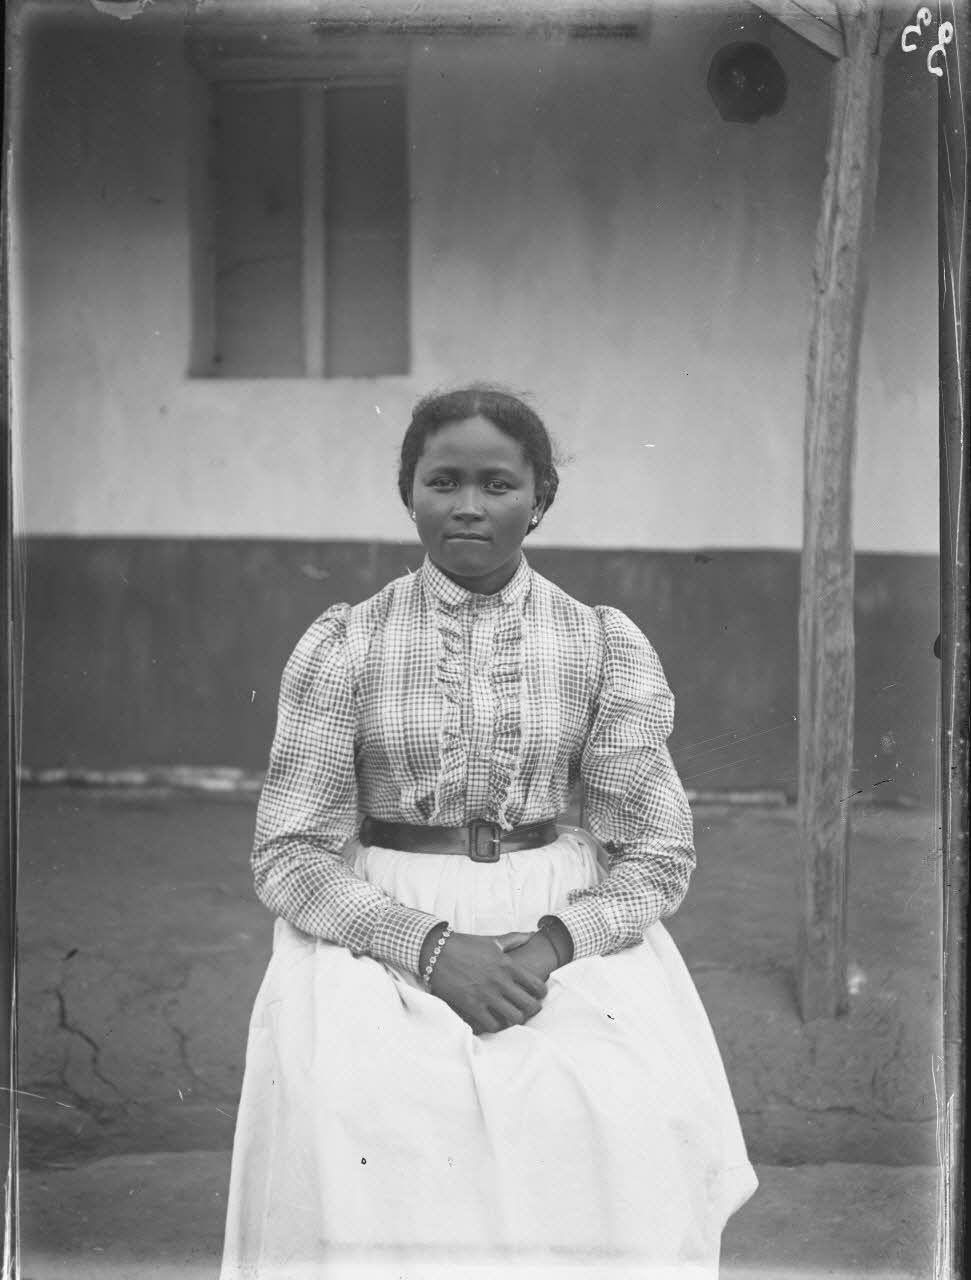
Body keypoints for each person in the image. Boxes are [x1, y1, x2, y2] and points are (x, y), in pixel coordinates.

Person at [220, 387, 757, 1280]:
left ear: (538, 499)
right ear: (410, 494)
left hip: (553, 935)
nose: (467, 506)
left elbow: (657, 851)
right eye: (443, 481)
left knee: (618, 1114)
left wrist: (550, 947)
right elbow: (287, 854)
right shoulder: (346, 643)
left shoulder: (599, 644)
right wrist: (428, 949)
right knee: (362, 1116)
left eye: (497, 484)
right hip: (377, 934)